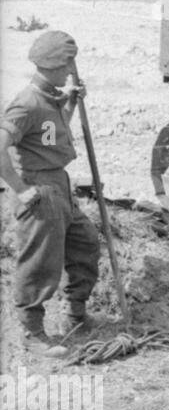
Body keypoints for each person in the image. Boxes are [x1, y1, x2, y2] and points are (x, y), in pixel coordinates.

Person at [0, 30, 101, 354]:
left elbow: (51, 136)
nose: (71, 71)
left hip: (60, 185)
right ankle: (33, 334)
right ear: (54, 66)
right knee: (41, 263)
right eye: (67, 66)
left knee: (85, 245)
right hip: (39, 190)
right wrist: (21, 189)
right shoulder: (26, 103)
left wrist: (70, 100)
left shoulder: (51, 99)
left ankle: (76, 315)